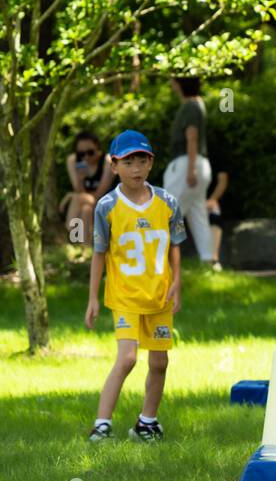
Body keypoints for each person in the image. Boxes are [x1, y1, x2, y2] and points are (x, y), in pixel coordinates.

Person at [85, 130, 186, 443]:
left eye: (142, 160)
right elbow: (99, 254)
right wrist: (92, 298)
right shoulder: (107, 206)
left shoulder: (168, 203)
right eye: (128, 161)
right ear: (114, 166)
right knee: (127, 358)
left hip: (159, 296)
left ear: (151, 163)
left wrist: (177, 282)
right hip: (125, 296)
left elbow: (175, 246)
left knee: (159, 362)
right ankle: (101, 424)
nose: (136, 167)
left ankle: (147, 422)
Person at [162, 77, 215, 266]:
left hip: (187, 164)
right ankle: (208, 261)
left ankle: (157, 261)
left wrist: (191, 169)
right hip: (198, 164)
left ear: (179, 83)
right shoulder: (196, 104)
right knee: (197, 213)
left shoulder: (191, 106)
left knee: (167, 212)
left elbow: (191, 136)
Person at [61, 131, 115, 245]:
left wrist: (72, 196)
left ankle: (69, 231)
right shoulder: (72, 160)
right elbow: (79, 190)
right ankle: (85, 246)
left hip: (106, 203)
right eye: (81, 154)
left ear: (98, 149)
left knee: (78, 198)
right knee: (86, 209)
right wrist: (80, 179)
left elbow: (100, 194)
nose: (86, 157)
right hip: (86, 206)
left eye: (90, 152)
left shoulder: (107, 161)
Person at [205, 127, 231, 271]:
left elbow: (223, 181)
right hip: (190, 201)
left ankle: (214, 260)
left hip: (208, 200)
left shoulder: (216, 156)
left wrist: (212, 200)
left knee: (214, 213)